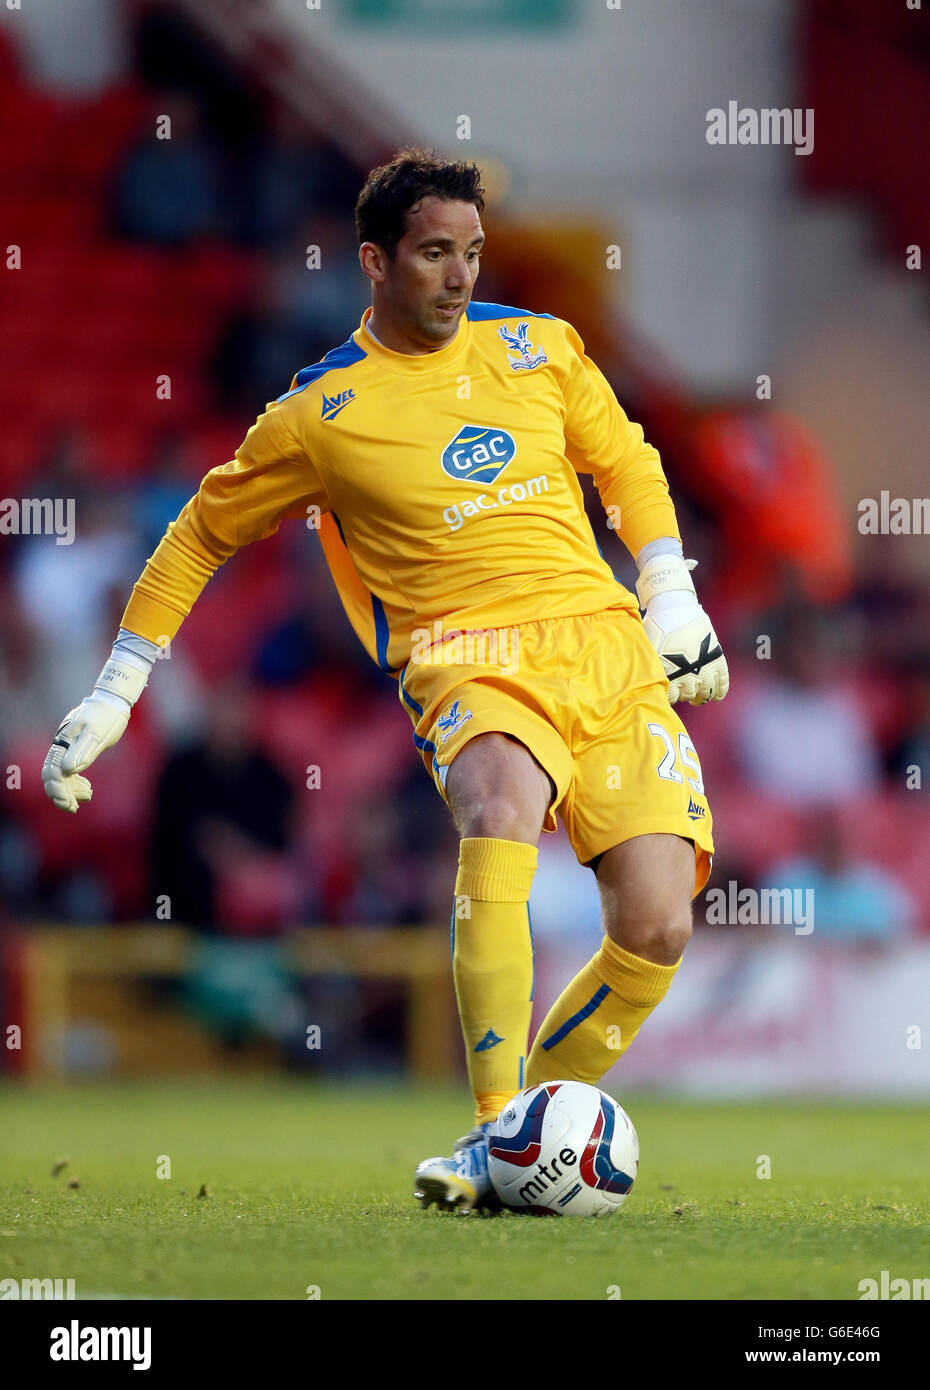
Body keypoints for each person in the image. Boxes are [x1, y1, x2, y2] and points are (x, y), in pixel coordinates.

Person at [41, 147, 729, 1212]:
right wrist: (115, 691)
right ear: (375, 260)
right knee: (499, 801)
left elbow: (628, 459)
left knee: (658, 923)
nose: (460, 277)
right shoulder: (323, 412)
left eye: (473, 253)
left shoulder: (541, 348)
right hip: (470, 660)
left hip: (606, 647)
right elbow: (195, 540)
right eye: (435, 255)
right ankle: (500, 1121)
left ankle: (507, 1147)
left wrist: (672, 592)